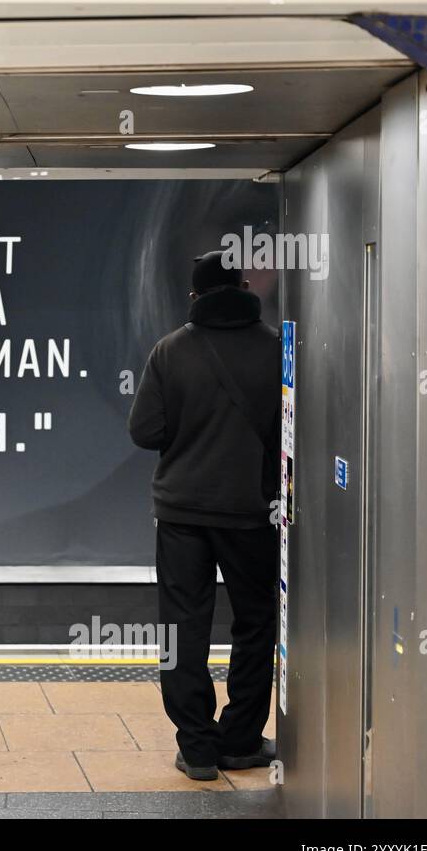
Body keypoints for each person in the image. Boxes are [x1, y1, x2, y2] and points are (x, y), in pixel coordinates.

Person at [127, 250, 280, 781]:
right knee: (255, 623)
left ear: (195, 296)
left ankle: (196, 747)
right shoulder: (276, 348)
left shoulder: (171, 351)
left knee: (182, 627)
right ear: (242, 287)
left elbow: (144, 431)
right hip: (252, 514)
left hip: (183, 513)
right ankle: (240, 740)